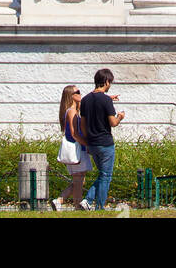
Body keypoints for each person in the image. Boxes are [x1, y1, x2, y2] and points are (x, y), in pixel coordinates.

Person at [79, 67, 125, 211]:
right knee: (106, 176)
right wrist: (120, 117)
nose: (110, 85)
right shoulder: (106, 100)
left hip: (92, 144)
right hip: (105, 143)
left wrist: (87, 140)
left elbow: (82, 124)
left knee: (102, 175)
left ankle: (89, 202)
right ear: (106, 81)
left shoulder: (85, 100)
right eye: (109, 82)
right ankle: (97, 205)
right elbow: (113, 123)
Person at [53, 83, 91, 211]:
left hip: (76, 149)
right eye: (77, 92)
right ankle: (67, 202)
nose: (80, 94)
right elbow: (75, 134)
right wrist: (87, 144)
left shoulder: (71, 111)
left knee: (79, 180)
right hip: (77, 149)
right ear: (71, 96)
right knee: (79, 180)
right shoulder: (72, 111)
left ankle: (67, 202)